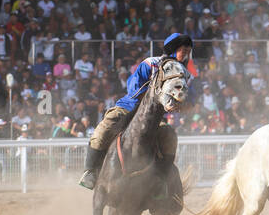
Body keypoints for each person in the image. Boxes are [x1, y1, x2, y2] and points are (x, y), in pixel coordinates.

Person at [78, 33, 192, 190]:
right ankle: (90, 171)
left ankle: (163, 177)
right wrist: (152, 95)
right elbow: (133, 86)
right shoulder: (151, 63)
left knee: (170, 136)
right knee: (106, 126)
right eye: (183, 50)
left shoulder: (183, 73)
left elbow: (182, 97)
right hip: (129, 107)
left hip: (155, 116)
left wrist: (178, 104)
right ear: (173, 48)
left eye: (188, 51)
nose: (186, 54)